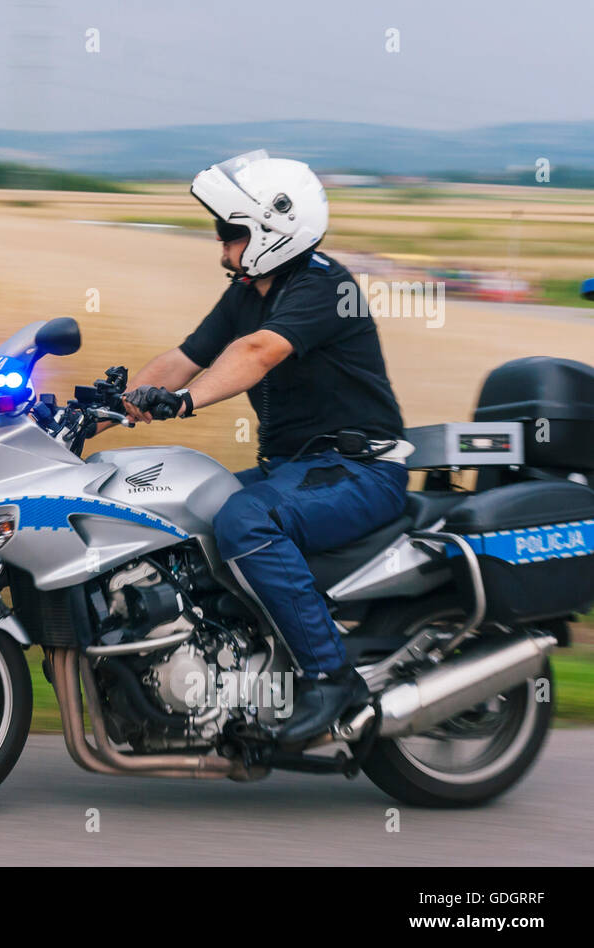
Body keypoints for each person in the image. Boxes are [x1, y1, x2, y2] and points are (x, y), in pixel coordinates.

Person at [118, 150, 410, 747]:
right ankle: (218, 676)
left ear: (274, 231)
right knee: (173, 509)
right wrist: (97, 412)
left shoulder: (324, 286)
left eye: (231, 232)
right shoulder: (249, 290)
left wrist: (187, 403)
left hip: (358, 470)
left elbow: (256, 354)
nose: (222, 246)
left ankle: (331, 678)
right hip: (299, 471)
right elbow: (183, 359)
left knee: (245, 519)